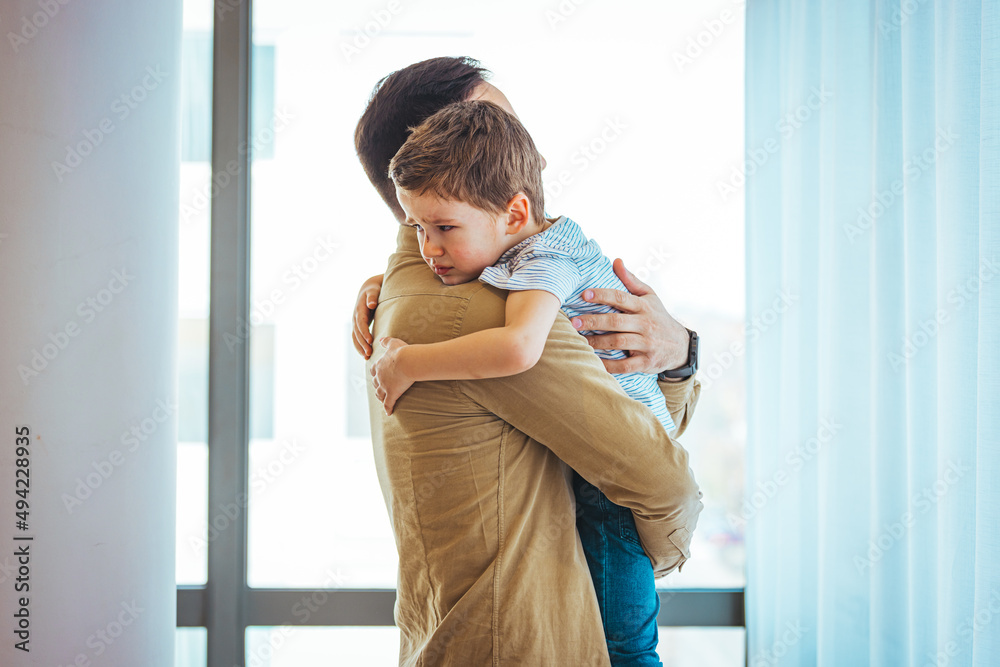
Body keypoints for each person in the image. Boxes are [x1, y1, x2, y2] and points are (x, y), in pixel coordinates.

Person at [354, 56, 703, 666]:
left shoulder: (409, 296)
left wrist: (678, 356)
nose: (534, 156)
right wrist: (657, 548)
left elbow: (616, 410)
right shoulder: (489, 313)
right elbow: (656, 475)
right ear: (443, 152)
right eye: (498, 126)